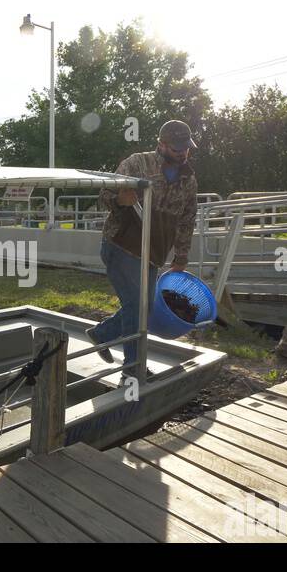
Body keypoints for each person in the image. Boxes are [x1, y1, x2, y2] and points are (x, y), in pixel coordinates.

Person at [86, 120, 200, 380]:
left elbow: (187, 219)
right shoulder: (137, 163)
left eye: (186, 148)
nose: (183, 153)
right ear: (162, 144)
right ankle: (133, 369)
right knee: (138, 306)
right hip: (122, 245)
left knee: (144, 308)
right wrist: (119, 199)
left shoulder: (188, 179)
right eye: (177, 147)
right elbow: (103, 193)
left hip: (153, 251)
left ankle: (102, 334)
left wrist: (181, 256)